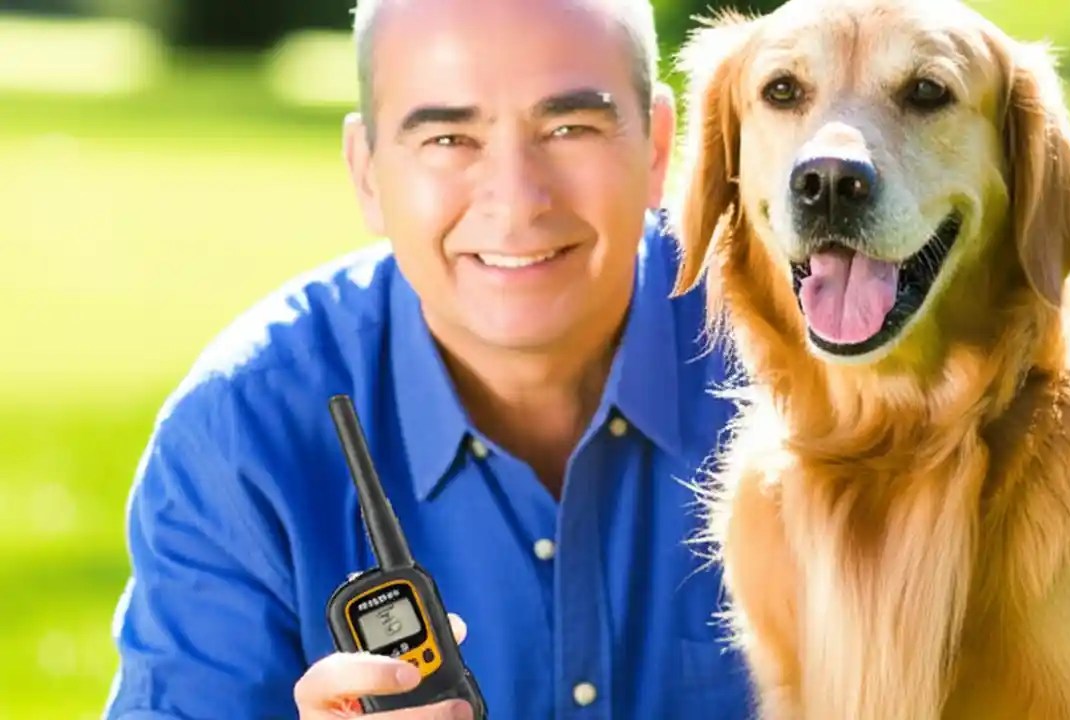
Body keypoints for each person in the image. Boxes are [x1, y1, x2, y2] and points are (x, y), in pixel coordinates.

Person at [101, 0, 755, 718]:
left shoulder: (809, 374)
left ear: (658, 147)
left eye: (570, 128)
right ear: (368, 172)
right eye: (448, 138)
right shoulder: (237, 439)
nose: (516, 202)